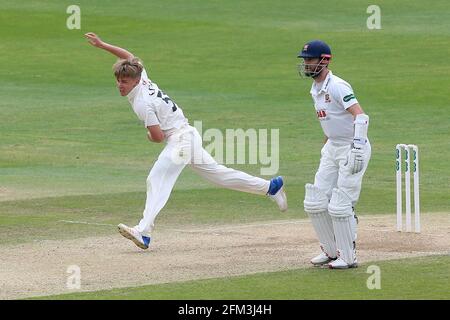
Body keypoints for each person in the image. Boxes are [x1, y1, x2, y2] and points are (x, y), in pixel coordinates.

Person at [84, 32, 288, 249]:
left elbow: (157, 136)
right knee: (218, 175)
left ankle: (143, 231)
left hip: (180, 140)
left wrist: (148, 135)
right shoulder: (142, 77)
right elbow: (129, 56)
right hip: (187, 135)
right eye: (118, 81)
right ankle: (270, 187)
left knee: (157, 178)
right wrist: (102, 45)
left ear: (135, 80)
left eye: (124, 81)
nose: (120, 85)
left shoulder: (142, 103)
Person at [298, 40, 371, 269]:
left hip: (352, 147)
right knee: (316, 200)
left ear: (324, 60)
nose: (306, 64)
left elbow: (361, 116)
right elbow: (331, 123)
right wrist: (326, 146)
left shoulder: (338, 86)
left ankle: (349, 256)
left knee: (340, 204)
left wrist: (358, 148)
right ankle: (330, 251)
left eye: (309, 60)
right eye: (305, 60)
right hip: (332, 148)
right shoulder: (315, 89)